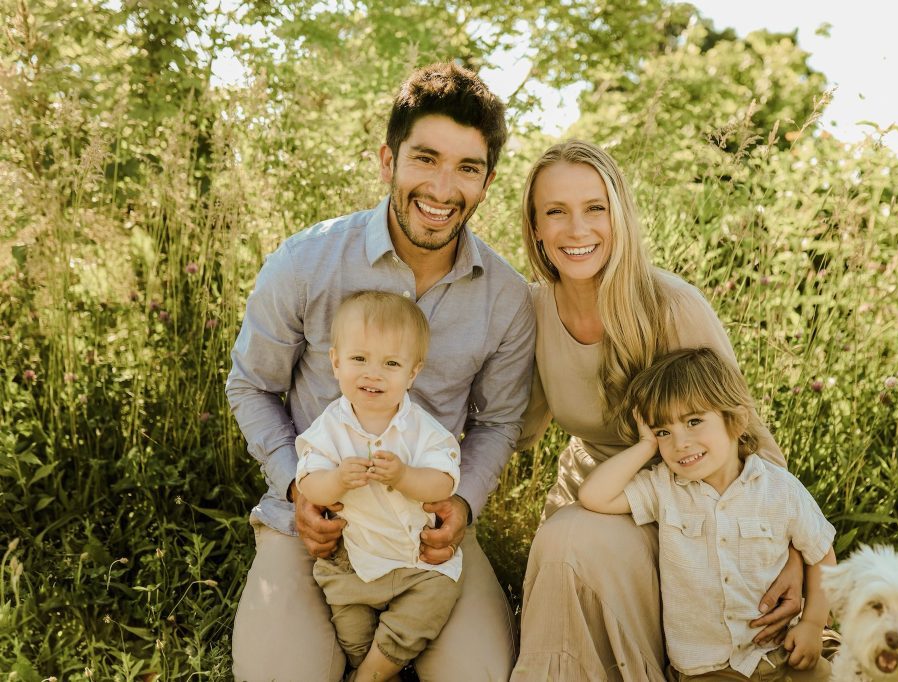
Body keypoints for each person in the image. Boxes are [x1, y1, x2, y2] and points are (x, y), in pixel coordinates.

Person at [226, 61, 535, 682]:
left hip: (425, 534)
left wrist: (462, 507)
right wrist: (295, 488)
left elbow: (499, 422)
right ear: (387, 160)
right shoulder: (306, 261)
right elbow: (251, 385)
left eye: (467, 168)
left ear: (487, 182)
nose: (444, 188)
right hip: (314, 527)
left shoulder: (506, 297)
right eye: (426, 159)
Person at [511, 140, 805, 681]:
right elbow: (508, 427)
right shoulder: (528, 310)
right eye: (556, 211)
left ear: (619, 215)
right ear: (535, 228)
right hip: (592, 495)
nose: (577, 230)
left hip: (690, 506)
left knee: (571, 539)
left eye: (595, 208)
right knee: (566, 537)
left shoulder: (672, 306)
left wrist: (795, 556)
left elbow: (749, 436)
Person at [579, 347, 836, 681]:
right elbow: (593, 495)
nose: (680, 443)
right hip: (707, 670)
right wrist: (645, 446)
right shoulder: (664, 489)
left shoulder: (779, 489)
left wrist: (813, 624)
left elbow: (820, 555)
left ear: (737, 419)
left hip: (781, 652)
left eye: (694, 421)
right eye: (664, 432)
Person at [296, 291, 463, 682]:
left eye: (391, 363)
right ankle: (372, 665)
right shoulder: (328, 429)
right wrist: (336, 480)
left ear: (413, 372)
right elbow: (310, 486)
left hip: (416, 561)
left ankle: (374, 671)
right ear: (335, 362)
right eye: (359, 359)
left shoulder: (421, 429)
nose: (373, 374)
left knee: (437, 596)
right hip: (352, 563)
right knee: (352, 631)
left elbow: (443, 482)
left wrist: (405, 477)